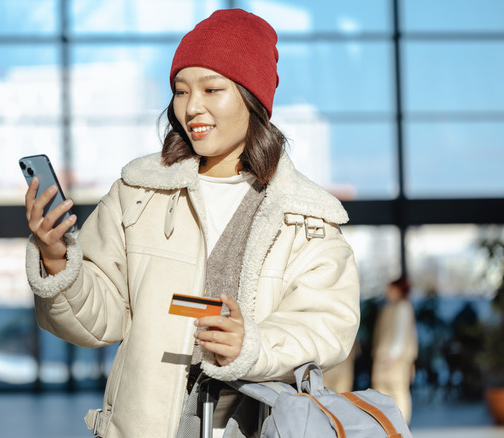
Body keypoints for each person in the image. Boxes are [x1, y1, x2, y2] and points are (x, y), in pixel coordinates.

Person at [24, 9, 360, 438]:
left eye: (211, 89)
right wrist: (56, 259)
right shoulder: (139, 192)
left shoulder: (307, 216)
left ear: (252, 98)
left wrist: (252, 343)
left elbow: (327, 326)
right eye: (181, 91)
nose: (192, 107)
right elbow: (98, 319)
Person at [371, 276, 418, 424]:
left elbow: (401, 333)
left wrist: (393, 354)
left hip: (394, 359)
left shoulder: (403, 307)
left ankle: (400, 426)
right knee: (382, 392)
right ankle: (388, 426)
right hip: (385, 357)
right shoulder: (389, 308)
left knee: (398, 391)